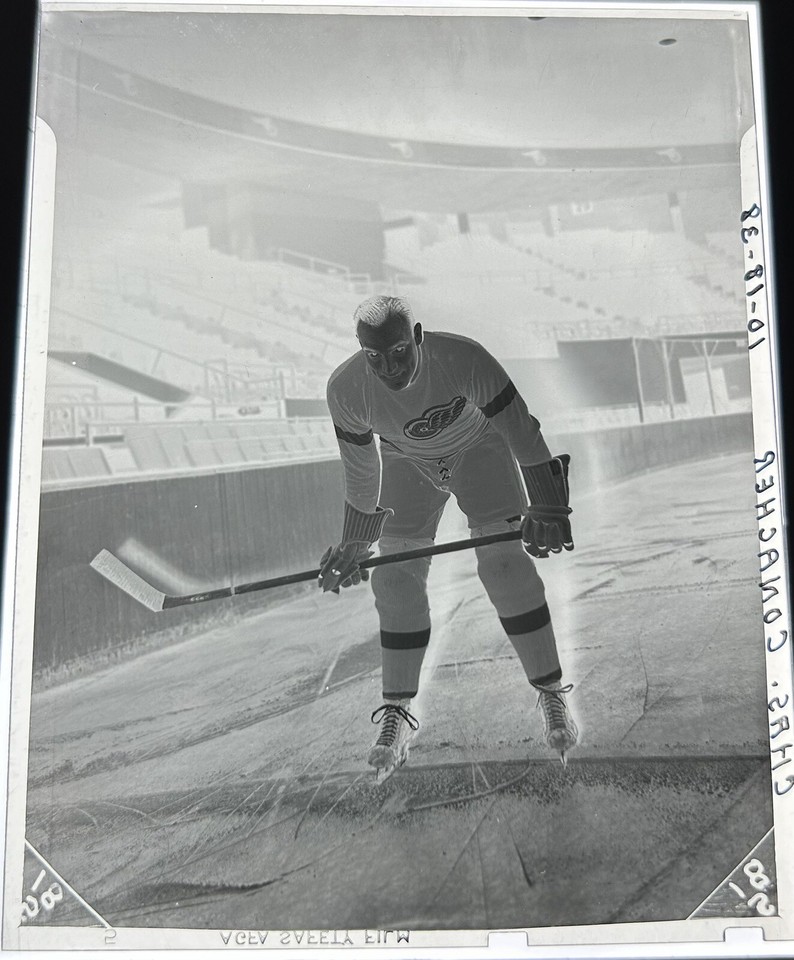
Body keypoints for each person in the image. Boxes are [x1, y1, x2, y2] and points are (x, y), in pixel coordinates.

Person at [319, 295, 578, 777]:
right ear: (360, 351)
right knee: (393, 581)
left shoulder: (463, 357)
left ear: (417, 336)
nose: (390, 368)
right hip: (405, 463)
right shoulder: (347, 388)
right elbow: (361, 470)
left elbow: (521, 430)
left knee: (504, 567)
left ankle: (550, 693)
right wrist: (355, 546)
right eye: (374, 357)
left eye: (399, 351)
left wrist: (548, 504)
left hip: (480, 448)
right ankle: (396, 713)